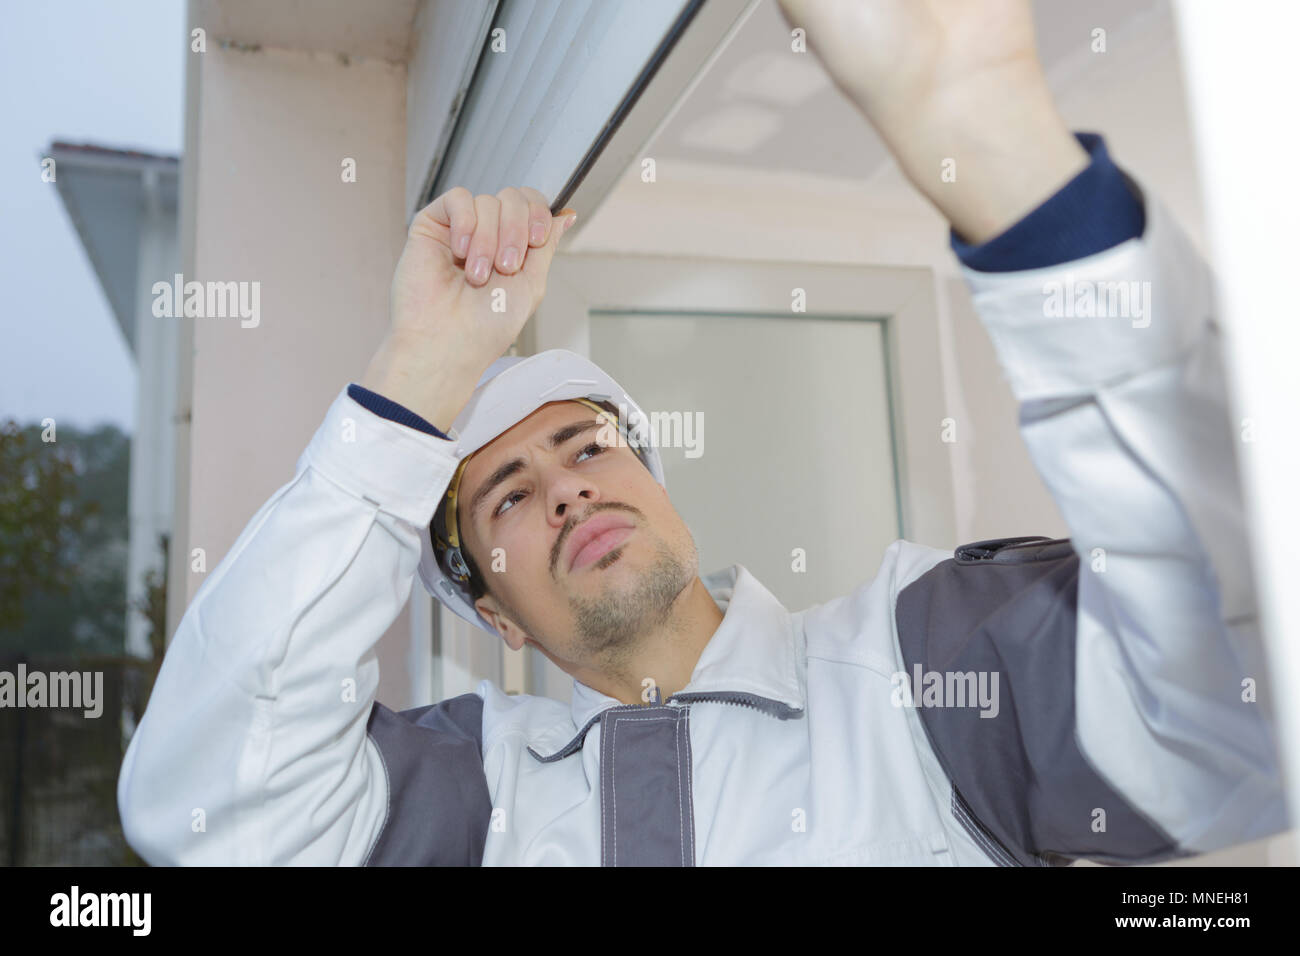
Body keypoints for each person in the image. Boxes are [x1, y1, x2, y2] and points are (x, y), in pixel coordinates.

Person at [117, 0, 1289, 865]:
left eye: (587, 447)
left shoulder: (924, 662)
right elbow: (204, 806)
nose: (567, 488)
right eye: (507, 496)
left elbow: (1247, 688)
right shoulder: (459, 795)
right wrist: (414, 377)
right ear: (488, 610)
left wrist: (1001, 155)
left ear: (654, 478)